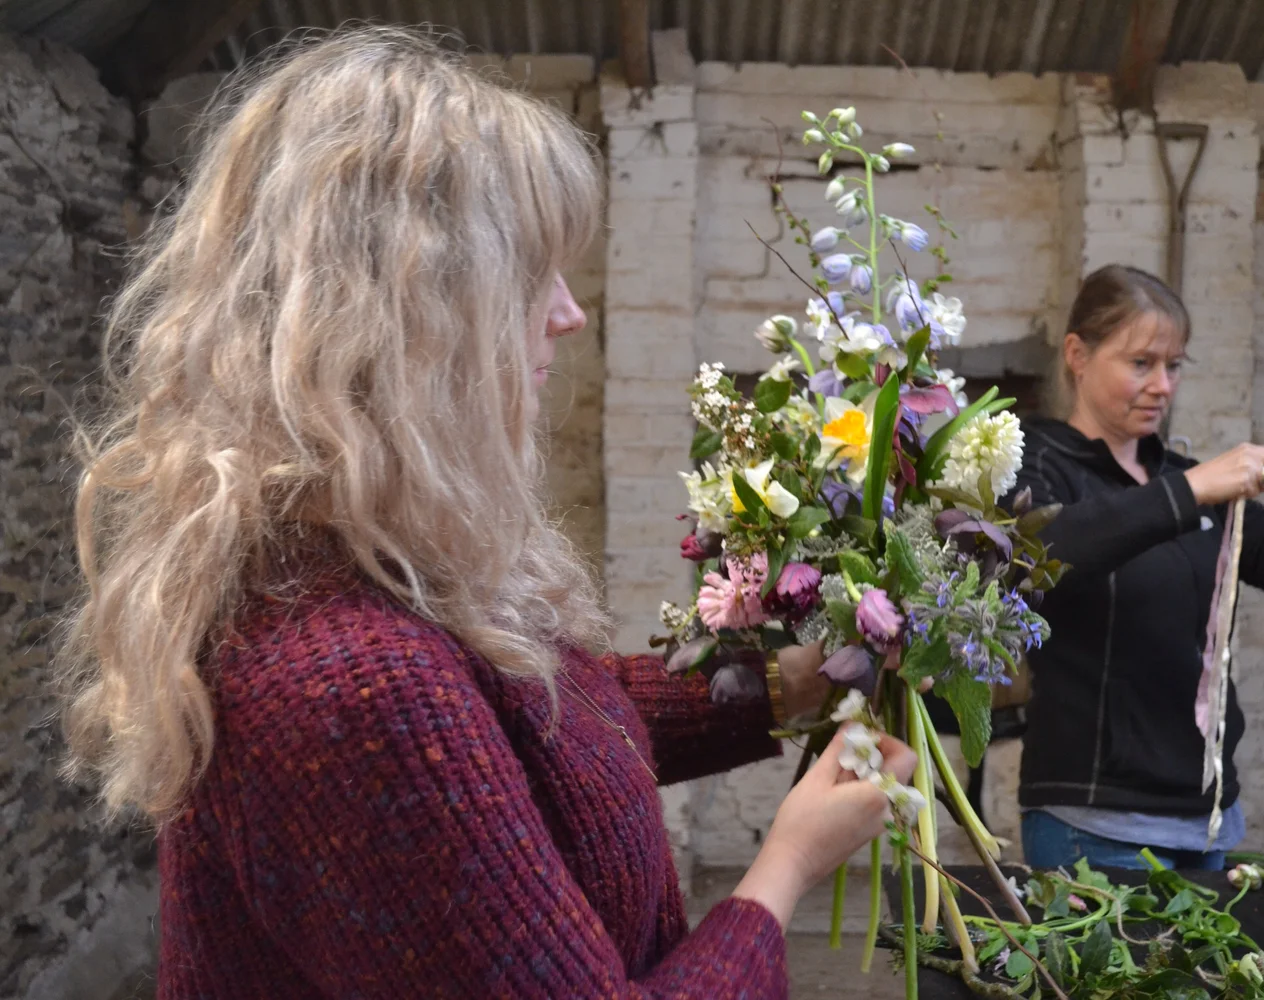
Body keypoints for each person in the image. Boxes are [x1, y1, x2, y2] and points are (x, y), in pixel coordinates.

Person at [55, 29, 912, 998]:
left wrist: (788, 686)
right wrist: (783, 867)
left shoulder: (363, 557)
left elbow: (544, 728)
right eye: (534, 272)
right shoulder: (352, 682)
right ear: (420, 313)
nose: (567, 314)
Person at [1011, 264, 1264, 871]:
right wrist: (1193, 489)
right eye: (1141, 363)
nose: (1162, 385)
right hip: (1092, 821)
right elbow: (1045, 553)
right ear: (1077, 354)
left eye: (1174, 365)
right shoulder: (1036, 464)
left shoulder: (1183, 480)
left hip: (1205, 820)